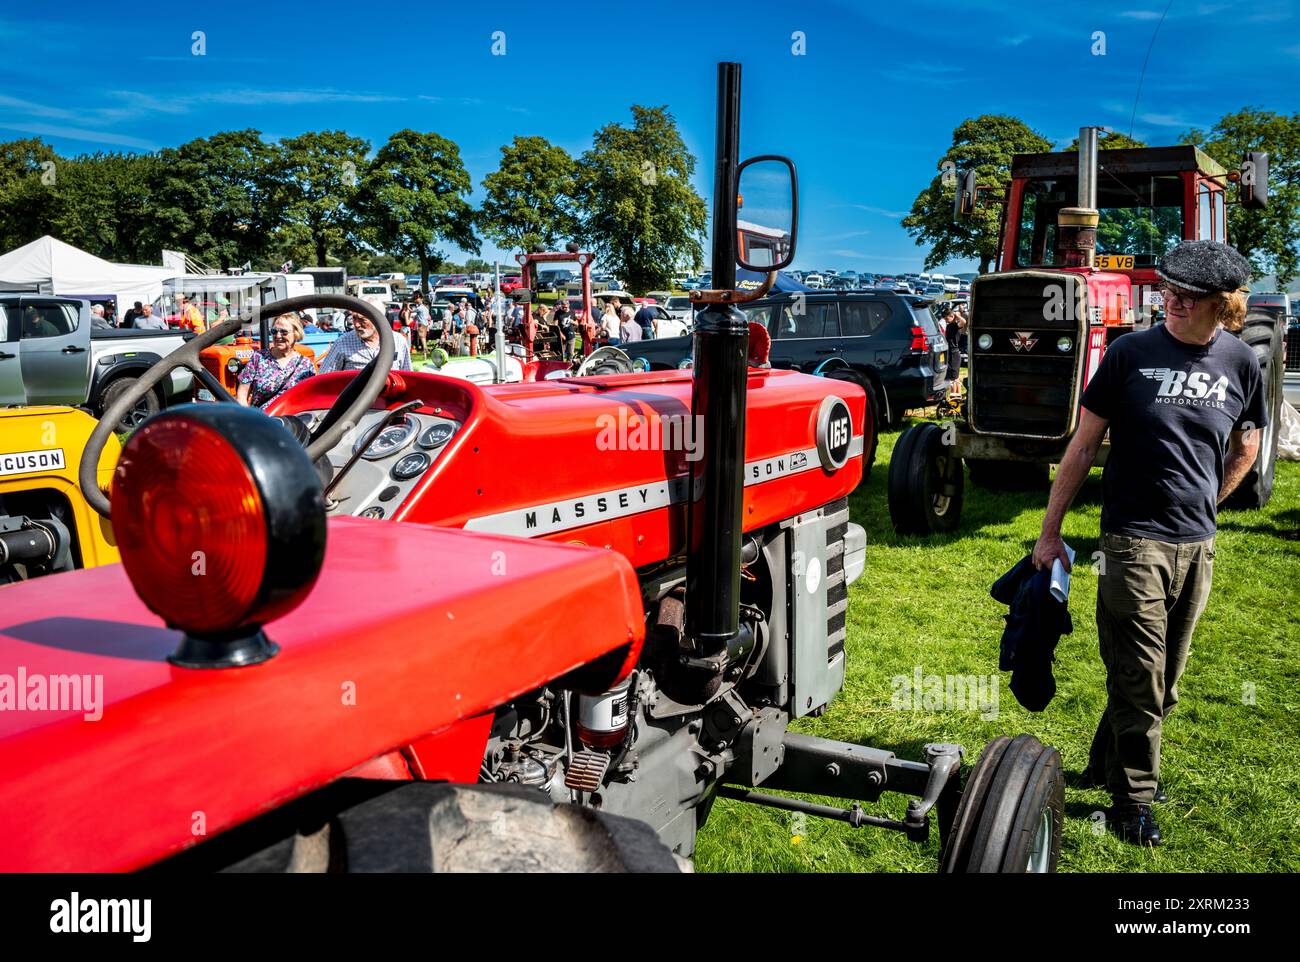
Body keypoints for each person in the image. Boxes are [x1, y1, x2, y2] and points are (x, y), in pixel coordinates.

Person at [1031, 240, 1267, 848]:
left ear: (1222, 303)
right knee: (1140, 675)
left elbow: (1247, 444)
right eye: (1167, 290)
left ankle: (1105, 761)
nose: (1171, 302)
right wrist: (1050, 532)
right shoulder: (1129, 353)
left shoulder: (1242, 362)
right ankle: (1132, 798)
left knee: (1166, 681)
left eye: (1187, 295)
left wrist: (1208, 502)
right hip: (1131, 542)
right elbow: (1082, 447)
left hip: (1198, 544)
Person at [235, 314, 316, 408]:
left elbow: (311, 398)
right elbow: (242, 394)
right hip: (262, 420)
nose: (278, 336)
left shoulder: (306, 364)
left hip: (293, 420)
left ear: (296, 333)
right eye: (274, 331)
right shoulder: (259, 357)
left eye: (284, 332)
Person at [318, 310, 413, 373]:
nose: (356, 324)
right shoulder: (342, 342)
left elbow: (408, 374)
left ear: (378, 319)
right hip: (355, 402)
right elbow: (324, 376)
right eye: (354, 318)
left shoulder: (398, 341)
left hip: (390, 401)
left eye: (362, 320)